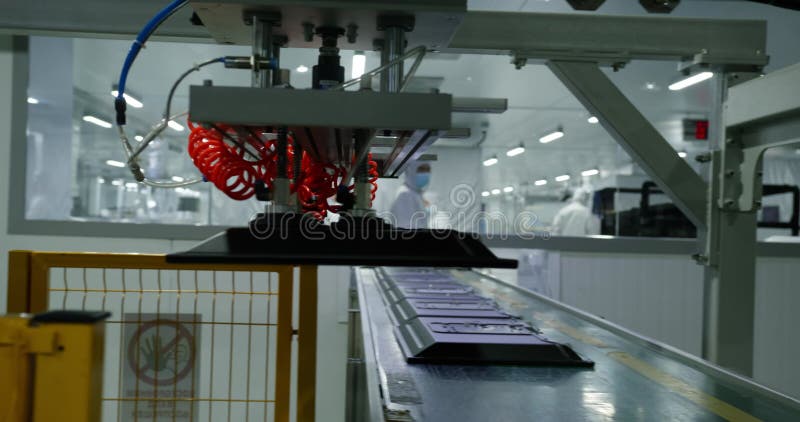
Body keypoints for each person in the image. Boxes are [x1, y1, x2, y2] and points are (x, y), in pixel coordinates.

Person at [389, 162, 431, 229]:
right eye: (421, 170)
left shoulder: (416, 194)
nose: (425, 174)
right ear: (411, 171)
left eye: (428, 170)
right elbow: (406, 228)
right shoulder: (405, 195)